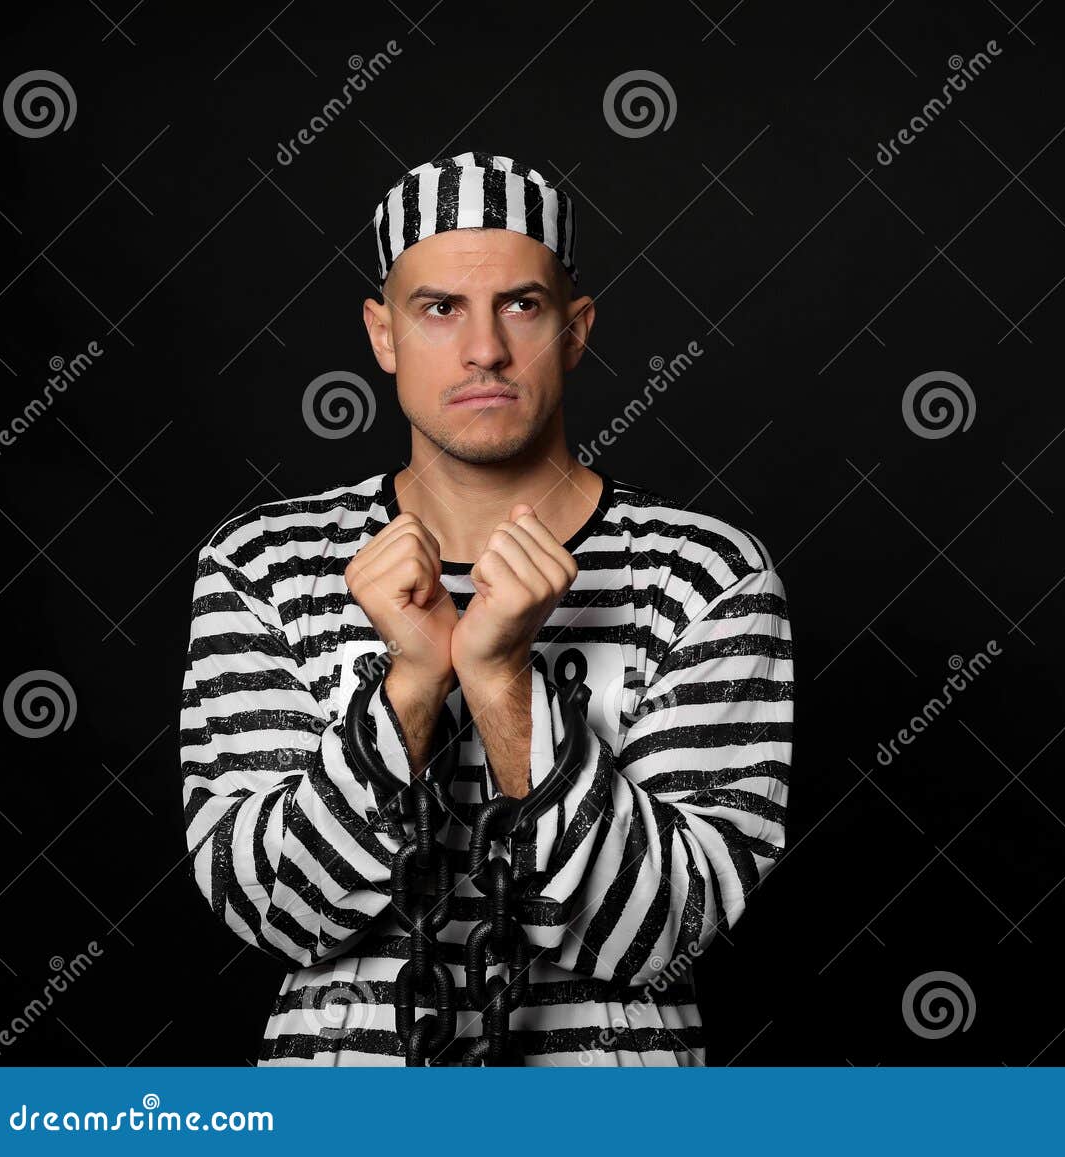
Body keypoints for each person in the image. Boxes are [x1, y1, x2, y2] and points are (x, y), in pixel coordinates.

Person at [178, 151, 794, 1065]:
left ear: (576, 330)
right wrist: (413, 682)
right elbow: (275, 909)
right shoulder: (265, 565)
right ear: (382, 334)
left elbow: (661, 929)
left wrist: (504, 682)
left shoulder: (706, 575)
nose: (484, 350)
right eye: (439, 309)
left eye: (521, 304)